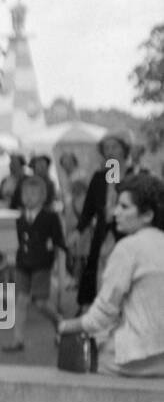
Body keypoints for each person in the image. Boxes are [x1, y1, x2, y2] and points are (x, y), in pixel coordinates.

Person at [58, 172, 164, 377]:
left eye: (124, 207)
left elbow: (103, 313)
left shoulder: (128, 248)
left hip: (137, 355)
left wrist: (67, 325)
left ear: (148, 215)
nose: (115, 212)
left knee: (82, 361)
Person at [3, 173, 65, 352]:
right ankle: (18, 339)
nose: (29, 198)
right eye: (26, 194)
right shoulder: (20, 218)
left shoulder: (50, 217)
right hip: (23, 262)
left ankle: (59, 321)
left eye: (33, 194)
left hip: (41, 263)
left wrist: (57, 259)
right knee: (21, 300)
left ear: (42, 197)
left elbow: (58, 239)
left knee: (40, 302)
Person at [75, 132, 136, 309]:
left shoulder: (137, 176)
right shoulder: (99, 177)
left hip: (128, 236)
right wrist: (77, 231)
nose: (110, 151)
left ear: (124, 150)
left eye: (114, 147)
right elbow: (88, 210)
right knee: (99, 278)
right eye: (106, 148)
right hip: (103, 237)